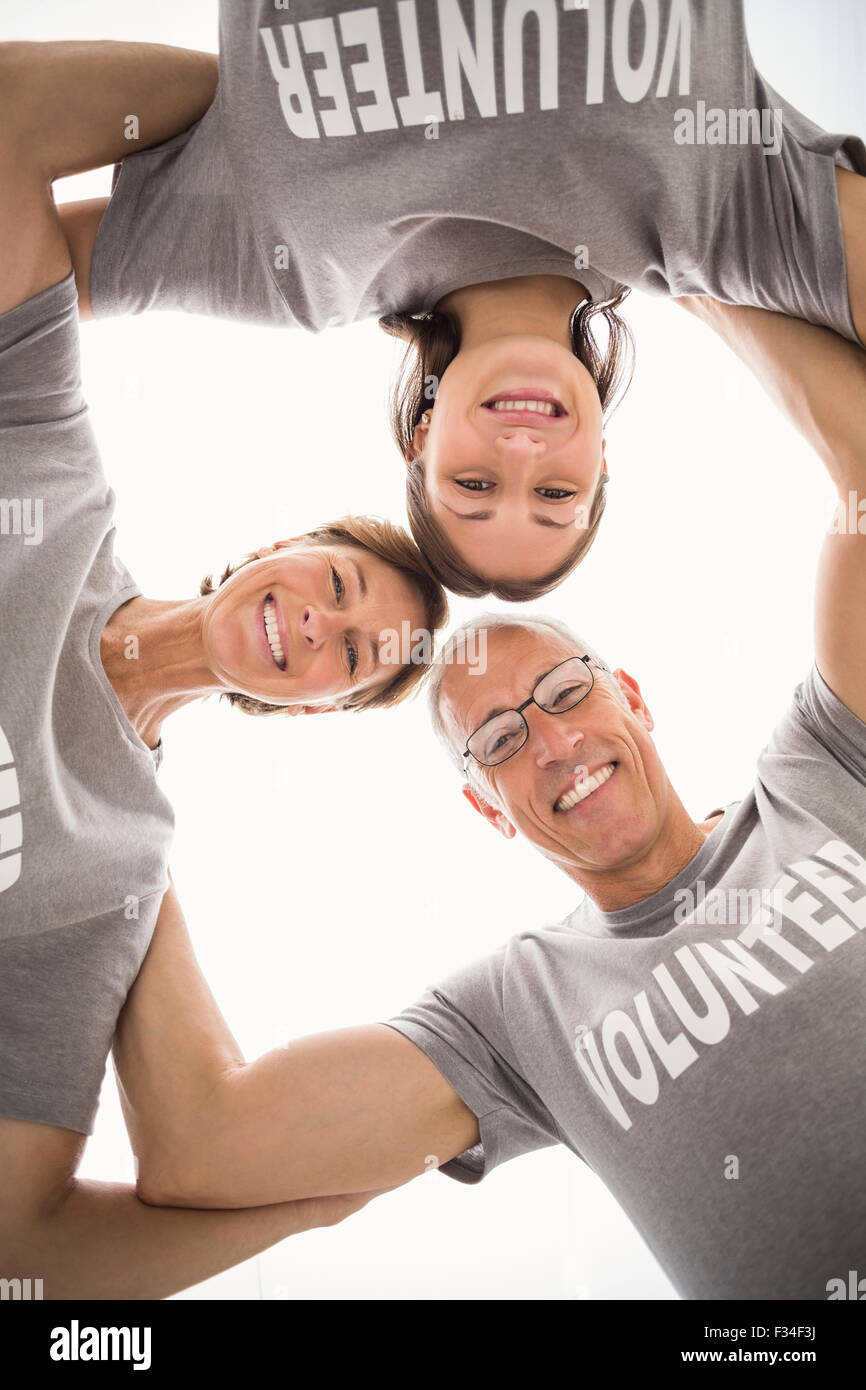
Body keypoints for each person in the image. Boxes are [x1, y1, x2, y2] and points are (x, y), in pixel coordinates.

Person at [100, 302, 866, 1299]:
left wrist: (679, 266)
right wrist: (124, 765)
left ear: (629, 693)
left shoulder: (820, 765)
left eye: (563, 692)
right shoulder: (514, 1016)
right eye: (497, 739)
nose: (551, 743)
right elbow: (204, 1148)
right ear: (486, 808)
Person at [0, 46, 446, 1298]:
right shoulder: (51, 475)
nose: (323, 625)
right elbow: (12, 117)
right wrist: (334, 120)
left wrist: (300, 1217)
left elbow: (22, 1245)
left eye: (354, 661)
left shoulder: (118, 862)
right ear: (269, 549)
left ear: (308, 709)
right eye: (338, 583)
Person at [26, 1, 866, 596]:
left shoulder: (290, 275)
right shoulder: (723, 226)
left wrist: (229, 98)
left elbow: (19, 203)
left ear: (422, 437)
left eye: (472, 484)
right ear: (601, 458)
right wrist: (701, 287)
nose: (522, 458)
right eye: (555, 497)